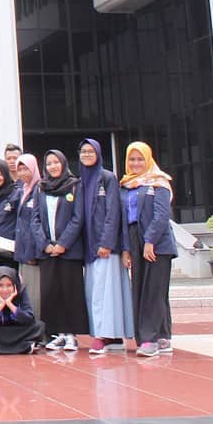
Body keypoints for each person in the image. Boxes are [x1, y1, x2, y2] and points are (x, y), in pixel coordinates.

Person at [119, 141, 176, 357]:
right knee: (141, 289)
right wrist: (126, 249)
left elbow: (162, 215)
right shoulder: (126, 185)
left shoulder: (159, 182)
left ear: (148, 159)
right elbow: (124, 220)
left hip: (157, 243)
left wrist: (150, 240)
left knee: (155, 290)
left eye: (140, 159)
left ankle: (150, 339)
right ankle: (162, 336)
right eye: (132, 159)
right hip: (134, 240)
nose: (136, 163)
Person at [78, 138, 133, 355]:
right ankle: (110, 336)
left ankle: (103, 336)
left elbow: (113, 213)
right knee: (96, 292)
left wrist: (107, 243)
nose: (87, 155)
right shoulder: (80, 179)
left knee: (106, 293)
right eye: (83, 152)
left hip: (105, 248)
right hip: (89, 247)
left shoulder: (107, 177)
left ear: (98, 153)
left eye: (91, 151)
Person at [31, 149, 88, 352]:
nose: (52, 167)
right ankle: (57, 334)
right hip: (47, 250)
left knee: (70, 292)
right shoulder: (41, 188)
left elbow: (78, 217)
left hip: (68, 251)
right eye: (48, 164)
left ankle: (71, 334)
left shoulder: (74, 186)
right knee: (51, 293)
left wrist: (63, 243)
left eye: (56, 163)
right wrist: (45, 243)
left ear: (63, 164)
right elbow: (35, 218)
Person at [12, 154, 43, 320]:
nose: (23, 173)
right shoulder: (22, 190)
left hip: (32, 254)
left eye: (26, 169)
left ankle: (37, 331)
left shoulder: (39, 189)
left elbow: (37, 224)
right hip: (22, 252)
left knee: (34, 295)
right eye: (20, 169)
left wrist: (33, 252)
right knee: (26, 292)